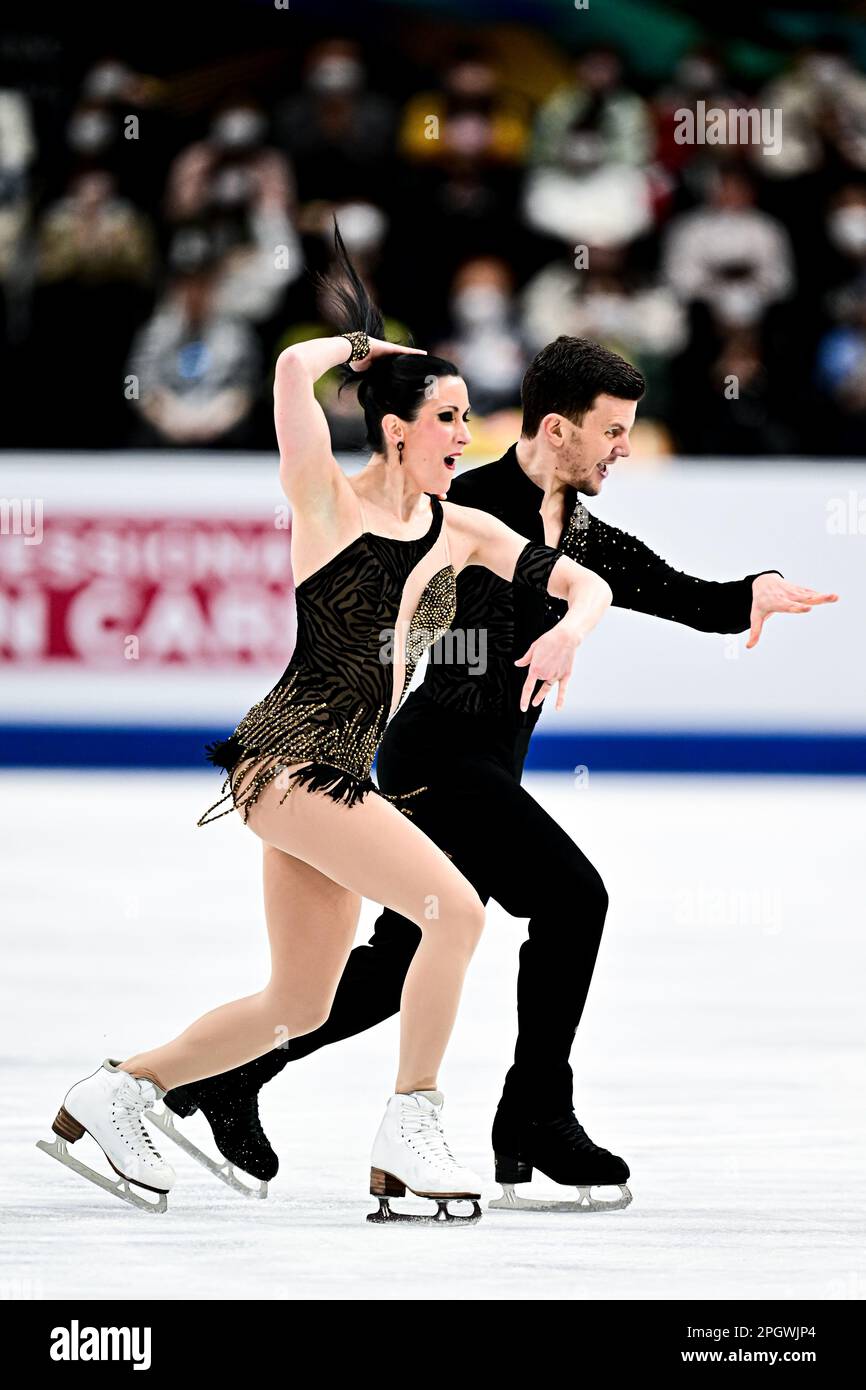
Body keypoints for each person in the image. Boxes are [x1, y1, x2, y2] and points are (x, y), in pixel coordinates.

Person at [161, 335, 838, 1211]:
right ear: (559, 430)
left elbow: (676, 594)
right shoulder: (462, 503)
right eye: (614, 432)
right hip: (432, 759)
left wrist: (753, 590)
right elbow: (398, 625)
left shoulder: (582, 531)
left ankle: (226, 1074)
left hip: (486, 766)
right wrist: (523, 639)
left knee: (390, 965)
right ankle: (533, 1117)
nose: (626, 449)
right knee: (570, 898)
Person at [40, 237, 614, 1220]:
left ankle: (120, 1090)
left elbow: (583, 580)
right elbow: (287, 371)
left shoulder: (463, 530)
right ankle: (409, 1121)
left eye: (466, 418)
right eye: (446, 417)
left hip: (341, 773)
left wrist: (568, 629)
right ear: (394, 428)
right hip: (290, 760)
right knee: (454, 911)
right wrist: (356, 343)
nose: (462, 434)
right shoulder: (326, 500)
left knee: (299, 1002)